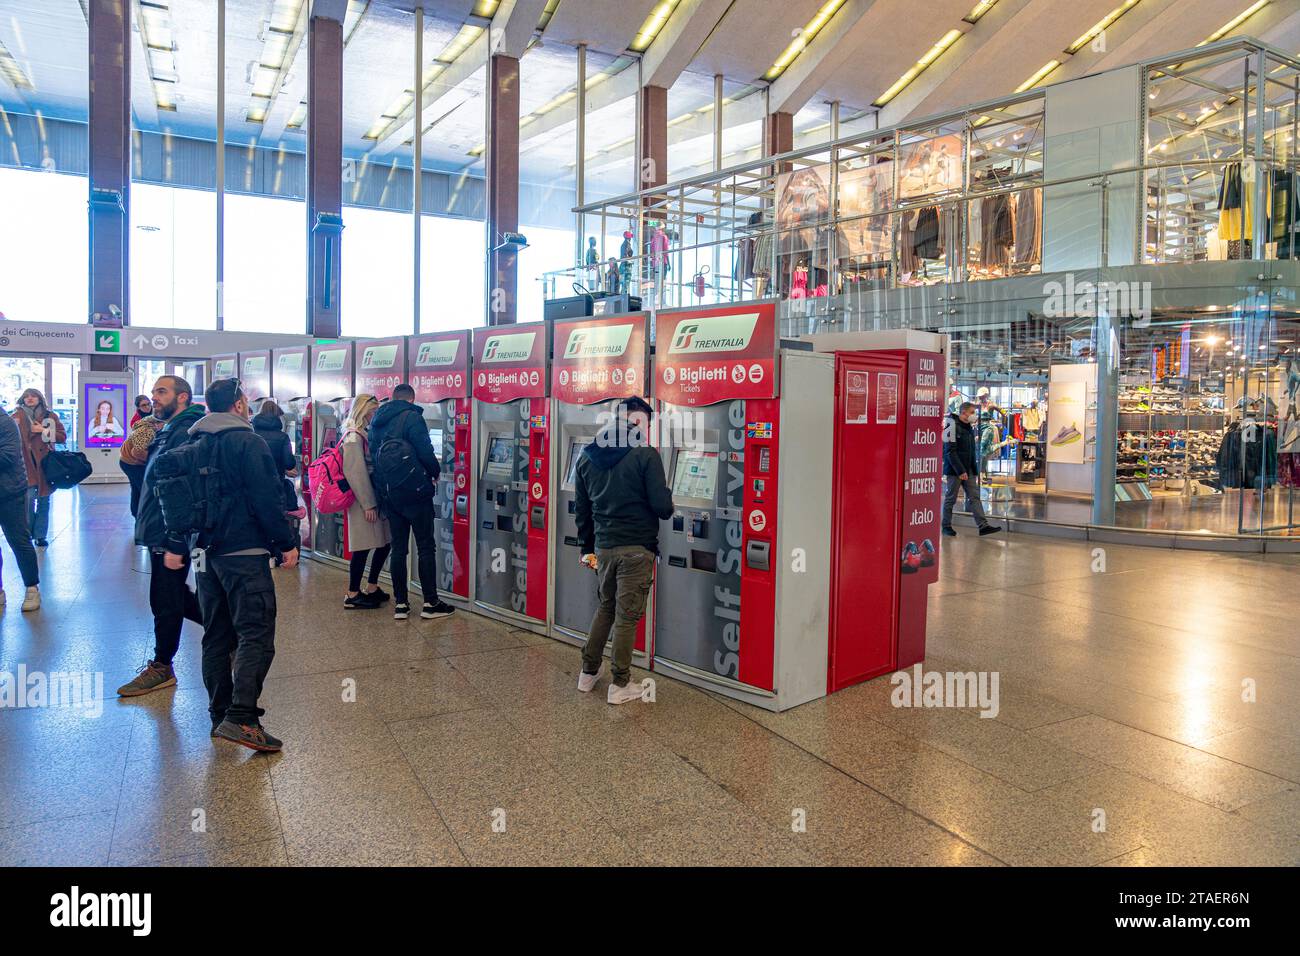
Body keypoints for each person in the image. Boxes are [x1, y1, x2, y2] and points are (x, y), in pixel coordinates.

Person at [186, 378, 299, 752]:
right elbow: (267, 499)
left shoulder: (195, 441)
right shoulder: (249, 443)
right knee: (256, 634)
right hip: (243, 553)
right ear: (237, 406)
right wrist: (285, 544)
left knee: (216, 634)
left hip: (203, 552)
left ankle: (220, 715)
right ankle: (242, 718)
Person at [574, 396, 674, 705]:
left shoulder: (586, 456)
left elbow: (582, 511)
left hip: (603, 548)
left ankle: (588, 674)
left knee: (606, 607)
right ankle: (620, 684)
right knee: (627, 616)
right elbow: (663, 508)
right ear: (636, 421)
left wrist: (587, 548)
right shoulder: (646, 455)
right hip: (636, 548)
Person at [117, 377, 206, 697]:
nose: (154, 397)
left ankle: (162, 665)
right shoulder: (166, 428)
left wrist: (174, 540)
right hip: (159, 524)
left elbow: (181, 488)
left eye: (161, 392)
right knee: (172, 594)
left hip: (170, 529)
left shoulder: (185, 430)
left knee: (166, 598)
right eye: (153, 391)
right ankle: (227, 634)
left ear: (182, 397)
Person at [368, 384, 454, 622]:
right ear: (411, 399)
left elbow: (374, 458)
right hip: (416, 492)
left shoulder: (377, 421)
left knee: (399, 548)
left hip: (390, 493)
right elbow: (426, 452)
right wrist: (434, 472)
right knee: (425, 546)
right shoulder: (412, 418)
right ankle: (430, 602)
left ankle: (401, 604)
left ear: (393, 398)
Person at [339, 394, 391, 609]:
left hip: (373, 497)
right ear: (363, 411)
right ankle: (352, 594)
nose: (375, 415)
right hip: (362, 500)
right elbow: (356, 473)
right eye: (373, 411)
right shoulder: (353, 436)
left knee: (384, 542)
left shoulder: (363, 433)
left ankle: (371, 586)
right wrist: (368, 504)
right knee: (362, 547)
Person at [13, 388, 67, 547]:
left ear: (39, 398)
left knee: (44, 501)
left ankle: (40, 535)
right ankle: (29, 533)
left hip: (45, 466)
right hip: (26, 465)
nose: (30, 399)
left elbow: (62, 437)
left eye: (33, 396)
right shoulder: (16, 416)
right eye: (26, 396)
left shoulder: (50, 416)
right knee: (28, 500)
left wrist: (43, 430)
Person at [0, 411, 41, 611]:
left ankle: (32, 588)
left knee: (19, 541)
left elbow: (7, 456)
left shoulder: (6, 423)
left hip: (9, 492)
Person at [942, 401, 1001, 538]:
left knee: (974, 497)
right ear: (963, 413)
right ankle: (946, 526)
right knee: (951, 498)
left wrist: (971, 470)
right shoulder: (950, 426)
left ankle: (983, 526)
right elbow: (950, 451)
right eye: (972, 413)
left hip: (968, 469)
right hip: (955, 471)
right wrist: (960, 471)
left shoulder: (968, 426)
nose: (975, 415)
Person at [251, 399, 299, 514]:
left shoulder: (250, 434)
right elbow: (289, 463)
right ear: (277, 417)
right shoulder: (282, 437)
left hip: (253, 489)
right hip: (275, 489)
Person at [120, 409, 163, 518]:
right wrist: (153, 461)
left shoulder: (146, 427)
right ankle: (144, 517)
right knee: (145, 491)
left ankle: (138, 515)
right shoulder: (148, 430)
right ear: (158, 423)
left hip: (127, 462)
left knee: (137, 490)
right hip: (132, 464)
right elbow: (137, 452)